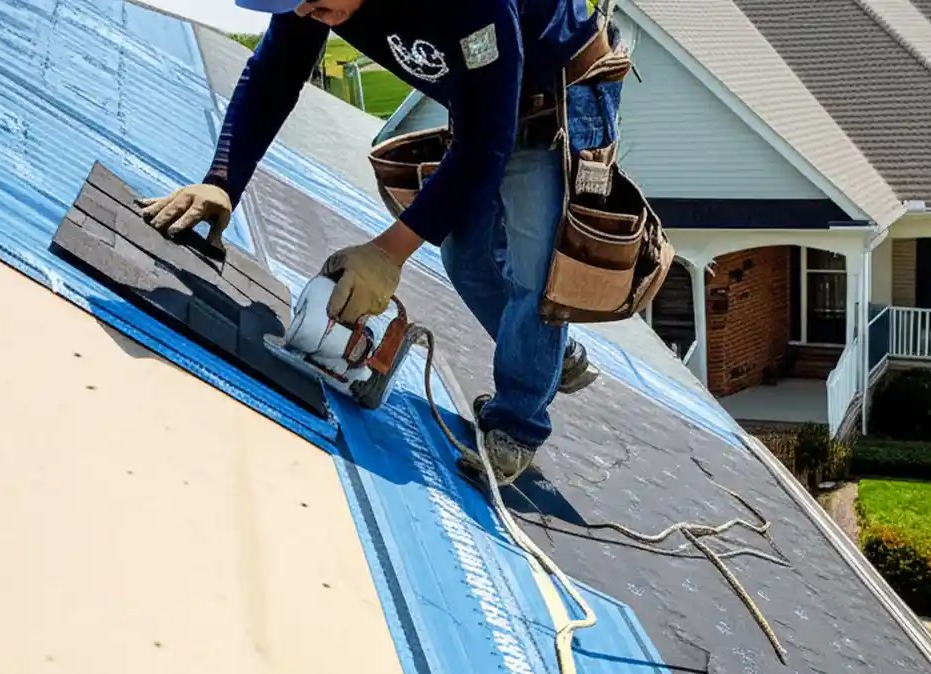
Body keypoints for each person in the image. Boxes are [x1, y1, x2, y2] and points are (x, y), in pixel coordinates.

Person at [141, 0, 616, 484]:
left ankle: (518, 423)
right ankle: (549, 356)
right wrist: (223, 179)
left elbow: (486, 143)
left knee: (536, 266)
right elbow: (277, 71)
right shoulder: (311, 4)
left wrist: (388, 253)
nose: (304, 11)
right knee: (465, 256)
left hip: (559, 91)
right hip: (489, 93)